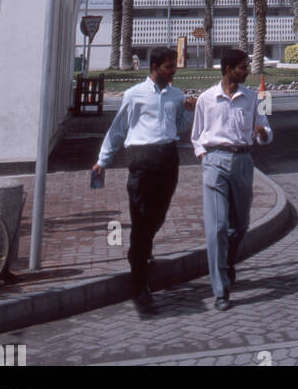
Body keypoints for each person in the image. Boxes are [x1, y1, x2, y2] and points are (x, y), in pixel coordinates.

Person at [93, 46, 196, 308]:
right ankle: (139, 282)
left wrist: (189, 110)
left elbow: (180, 126)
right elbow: (118, 130)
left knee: (158, 215)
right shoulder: (134, 95)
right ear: (155, 67)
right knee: (140, 215)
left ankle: (139, 252)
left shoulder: (175, 94)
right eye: (168, 67)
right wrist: (102, 161)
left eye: (174, 66)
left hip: (168, 157)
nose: (173, 71)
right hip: (142, 160)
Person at [191, 48, 272, 311]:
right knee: (216, 228)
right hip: (215, 163)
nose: (247, 71)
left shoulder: (253, 98)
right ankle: (221, 290)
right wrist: (203, 155)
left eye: (246, 66)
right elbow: (196, 135)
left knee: (240, 225)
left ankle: (225, 262)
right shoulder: (206, 99)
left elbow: (267, 130)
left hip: (243, 162)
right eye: (242, 67)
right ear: (228, 69)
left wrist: (262, 133)